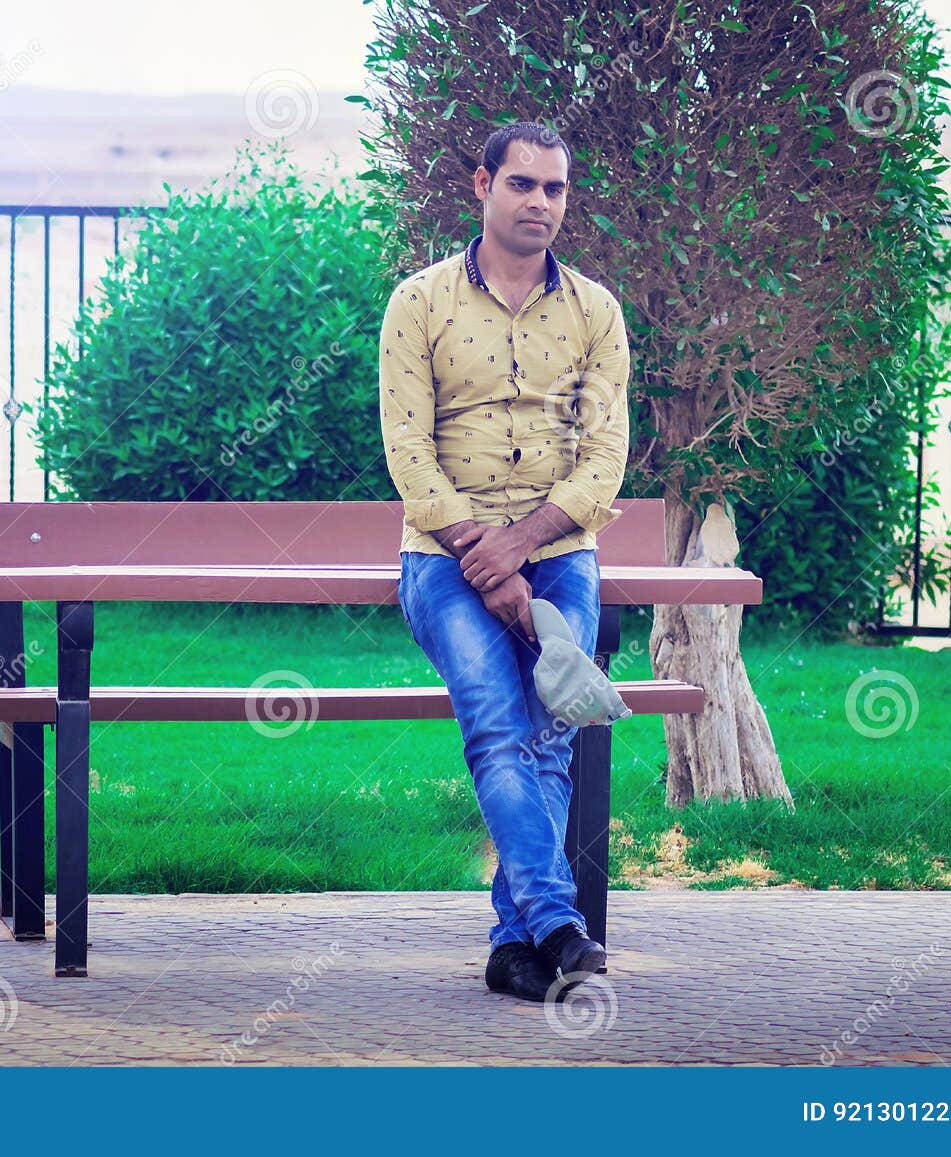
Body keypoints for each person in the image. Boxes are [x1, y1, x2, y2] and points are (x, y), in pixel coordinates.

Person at [379, 120, 631, 1003]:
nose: (540, 203)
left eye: (555, 189)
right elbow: (409, 450)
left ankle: (513, 944)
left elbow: (604, 461)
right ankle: (560, 920)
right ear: (481, 185)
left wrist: (518, 549)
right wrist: (480, 555)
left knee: (551, 739)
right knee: (497, 726)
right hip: (443, 561)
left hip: (558, 553)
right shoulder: (421, 301)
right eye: (522, 184)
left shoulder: (596, 311)